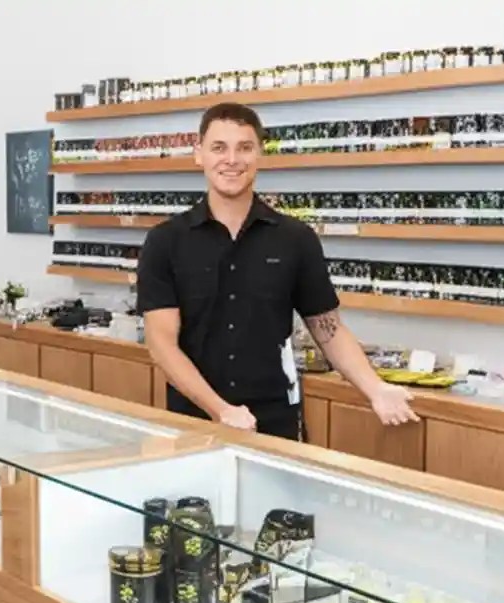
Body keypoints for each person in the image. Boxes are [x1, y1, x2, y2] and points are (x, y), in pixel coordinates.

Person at [136, 102, 418, 440]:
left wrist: (376, 388)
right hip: (193, 422)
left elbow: (328, 329)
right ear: (199, 154)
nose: (231, 159)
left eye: (244, 147)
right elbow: (161, 343)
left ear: (260, 154)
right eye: (218, 148)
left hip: (275, 422)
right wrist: (220, 409)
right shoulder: (166, 241)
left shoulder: (295, 239)